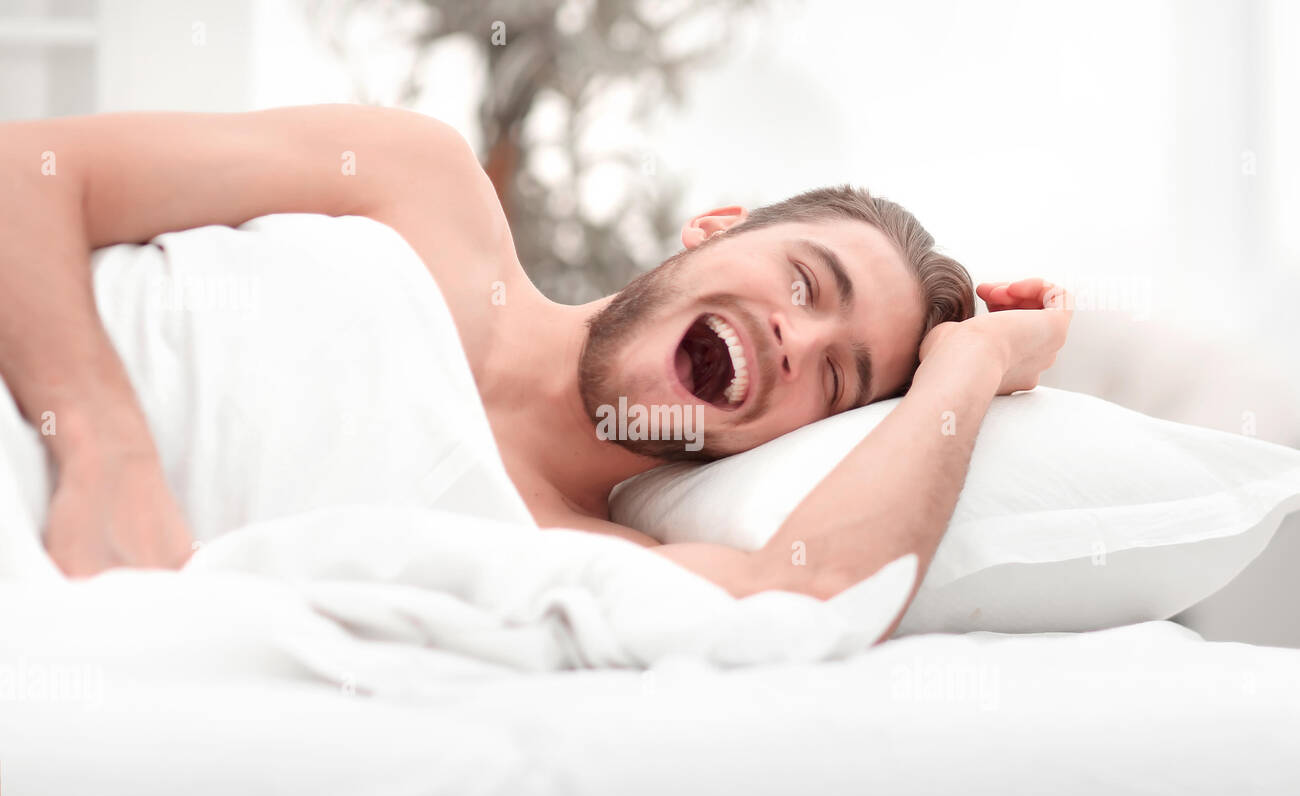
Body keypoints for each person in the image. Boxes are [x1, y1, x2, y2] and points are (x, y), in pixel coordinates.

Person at [0, 105, 1070, 636]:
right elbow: (26, 171)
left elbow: (815, 594)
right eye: (803, 281)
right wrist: (100, 448)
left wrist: (970, 365)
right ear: (713, 228)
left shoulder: (573, 559)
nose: (798, 342)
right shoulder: (416, 185)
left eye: (836, 380)